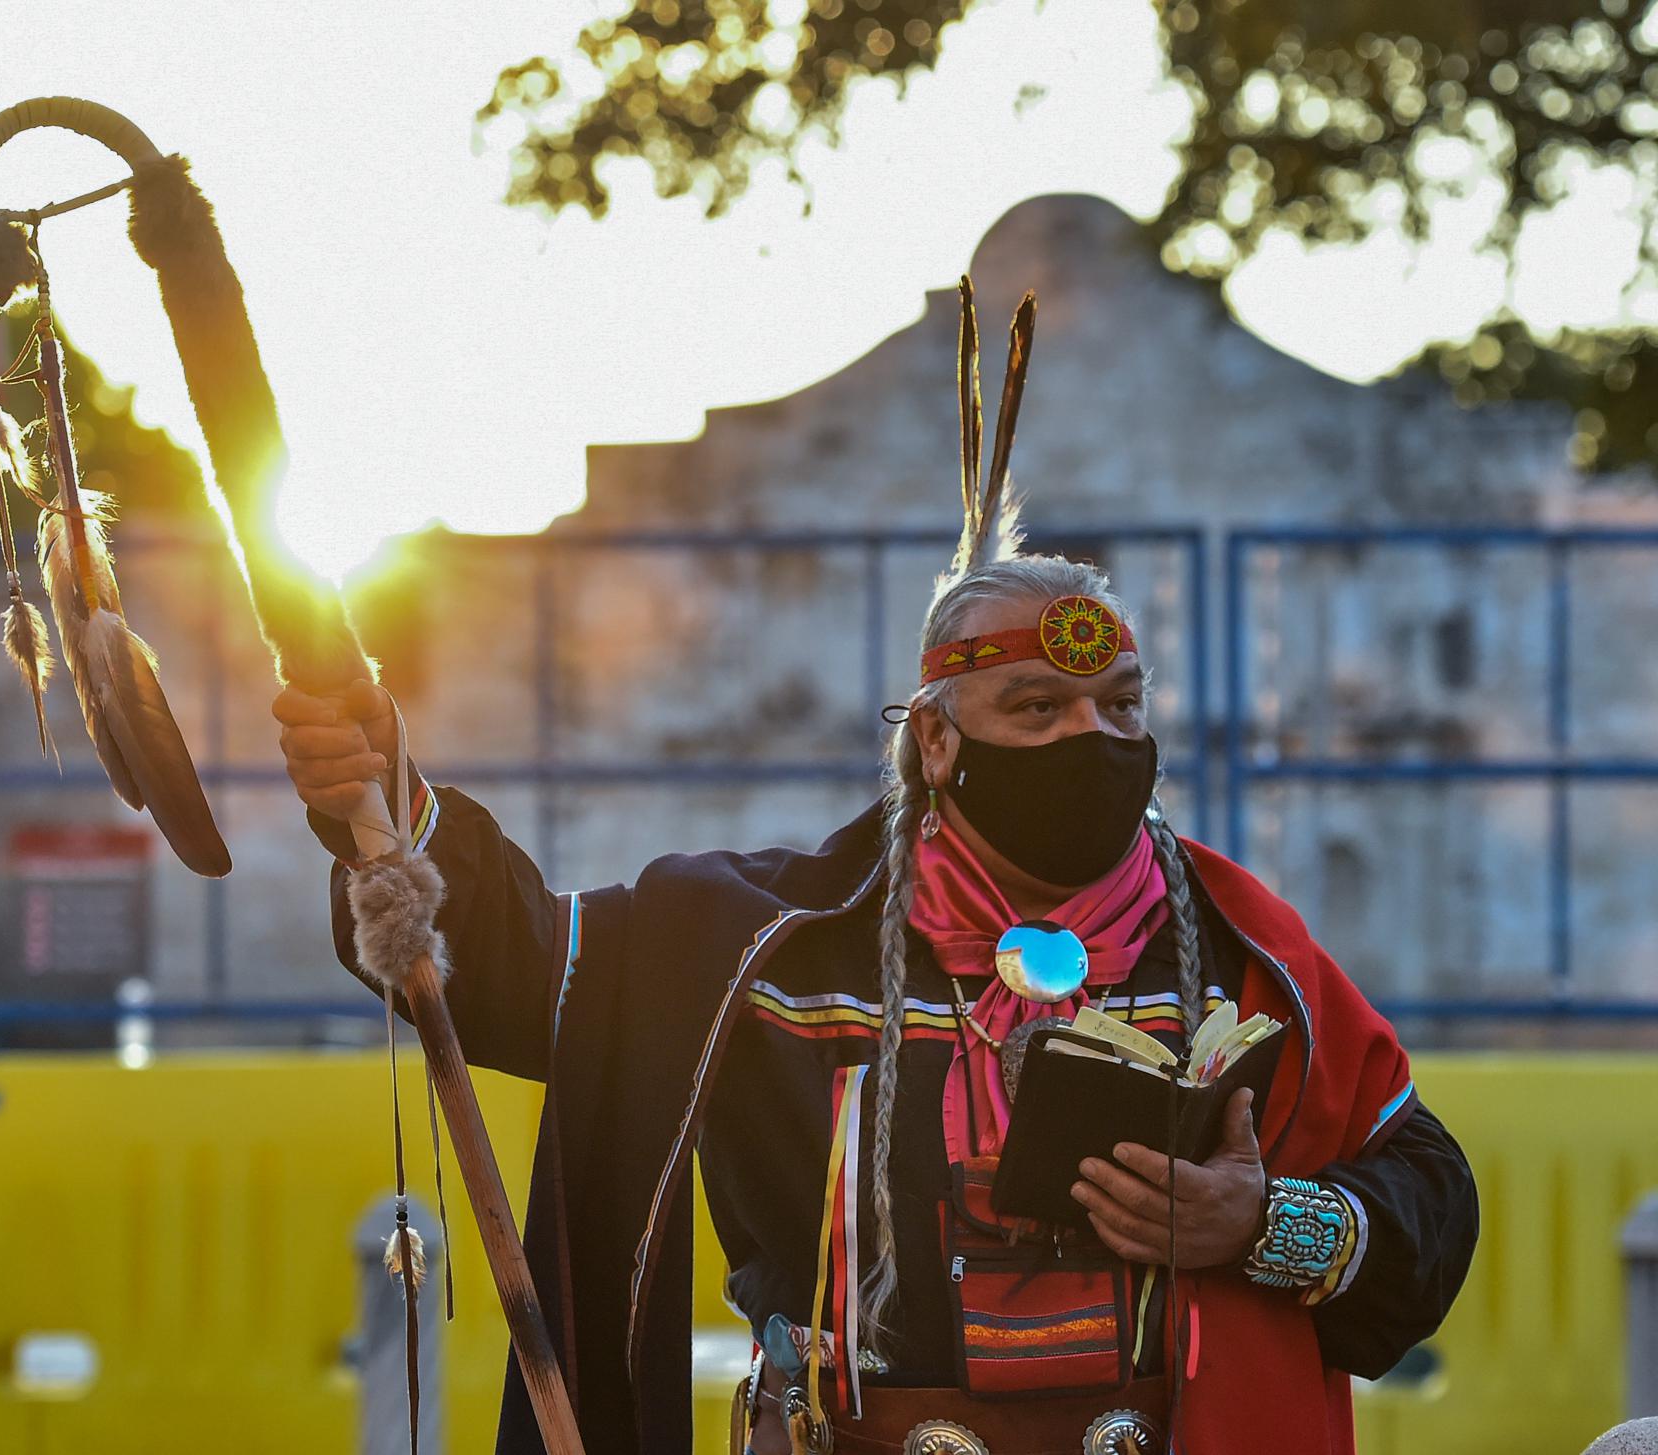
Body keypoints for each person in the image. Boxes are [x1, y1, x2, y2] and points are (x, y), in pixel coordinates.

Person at [274, 286, 1476, 1455]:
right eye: (1036, 706)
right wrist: (386, 801)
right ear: (937, 742)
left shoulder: (1237, 954)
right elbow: (510, 958)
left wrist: (1260, 1224)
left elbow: (1423, 1191)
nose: (1093, 740)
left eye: (1119, 707)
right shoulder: (765, 945)